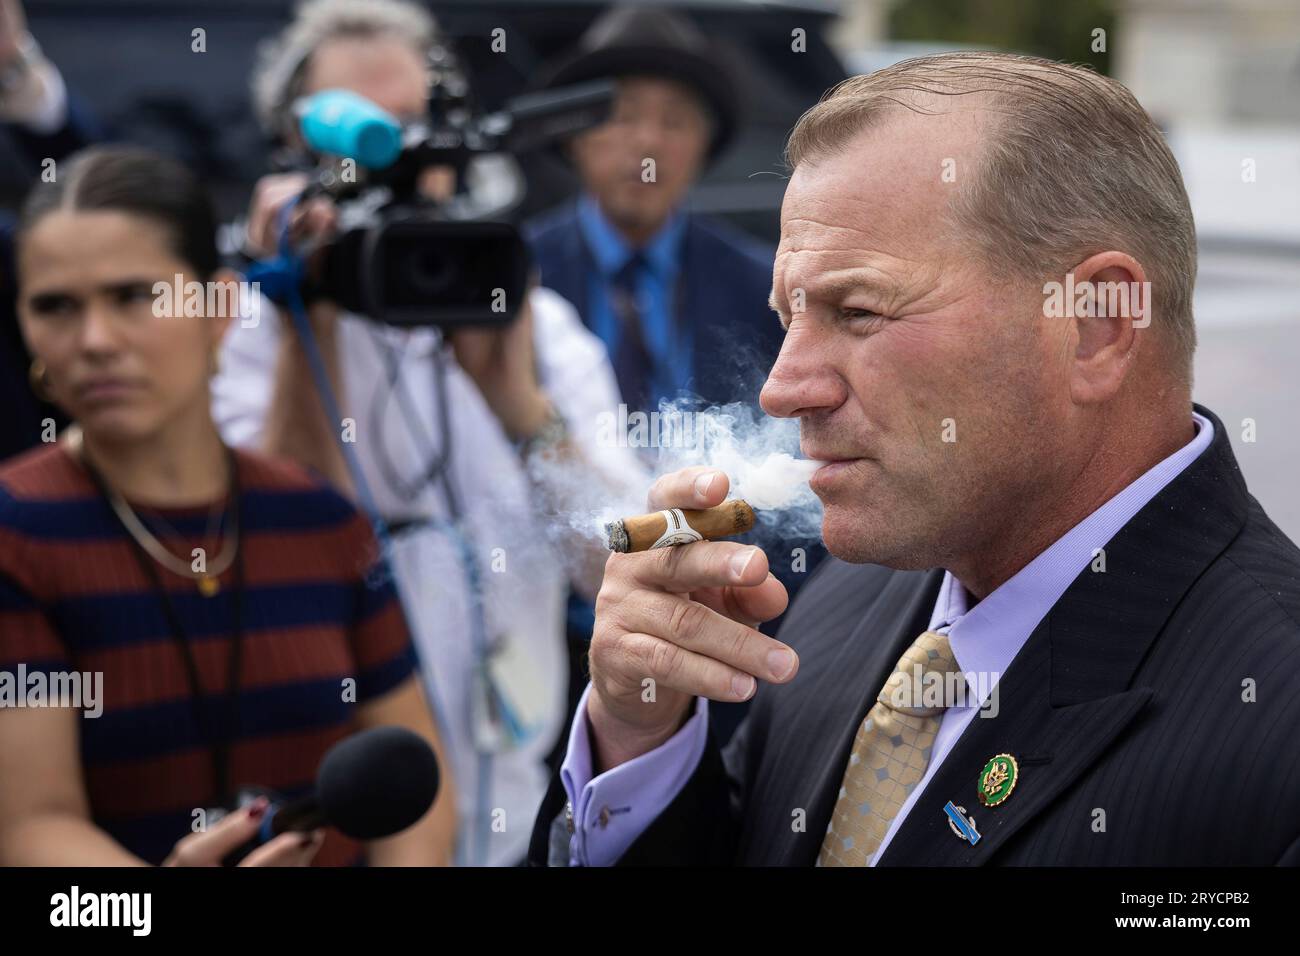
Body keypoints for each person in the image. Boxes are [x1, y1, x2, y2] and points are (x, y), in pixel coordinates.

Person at [529, 53, 1300, 866]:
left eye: (857, 311)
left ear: (1097, 324)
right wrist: (639, 737)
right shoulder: (846, 600)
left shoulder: (1274, 730)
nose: (784, 389)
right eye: (789, 315)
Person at [217, 0, 645, 866]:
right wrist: (313, 312)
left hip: (517, 805)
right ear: (296, 157)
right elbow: (273, 559)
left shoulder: (538, 325)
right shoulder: (251, 331)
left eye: (420, 131)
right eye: (367, 136)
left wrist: (521, 407)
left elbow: (619, 571)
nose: (407, 169)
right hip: (337, 807)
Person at [0, 145, 456, 866]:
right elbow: (28, 829)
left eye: (133, 297)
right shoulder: (16, 532)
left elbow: (417, 786)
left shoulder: (325, 522)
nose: (93, 341)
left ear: (218, 307)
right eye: (55, 306)